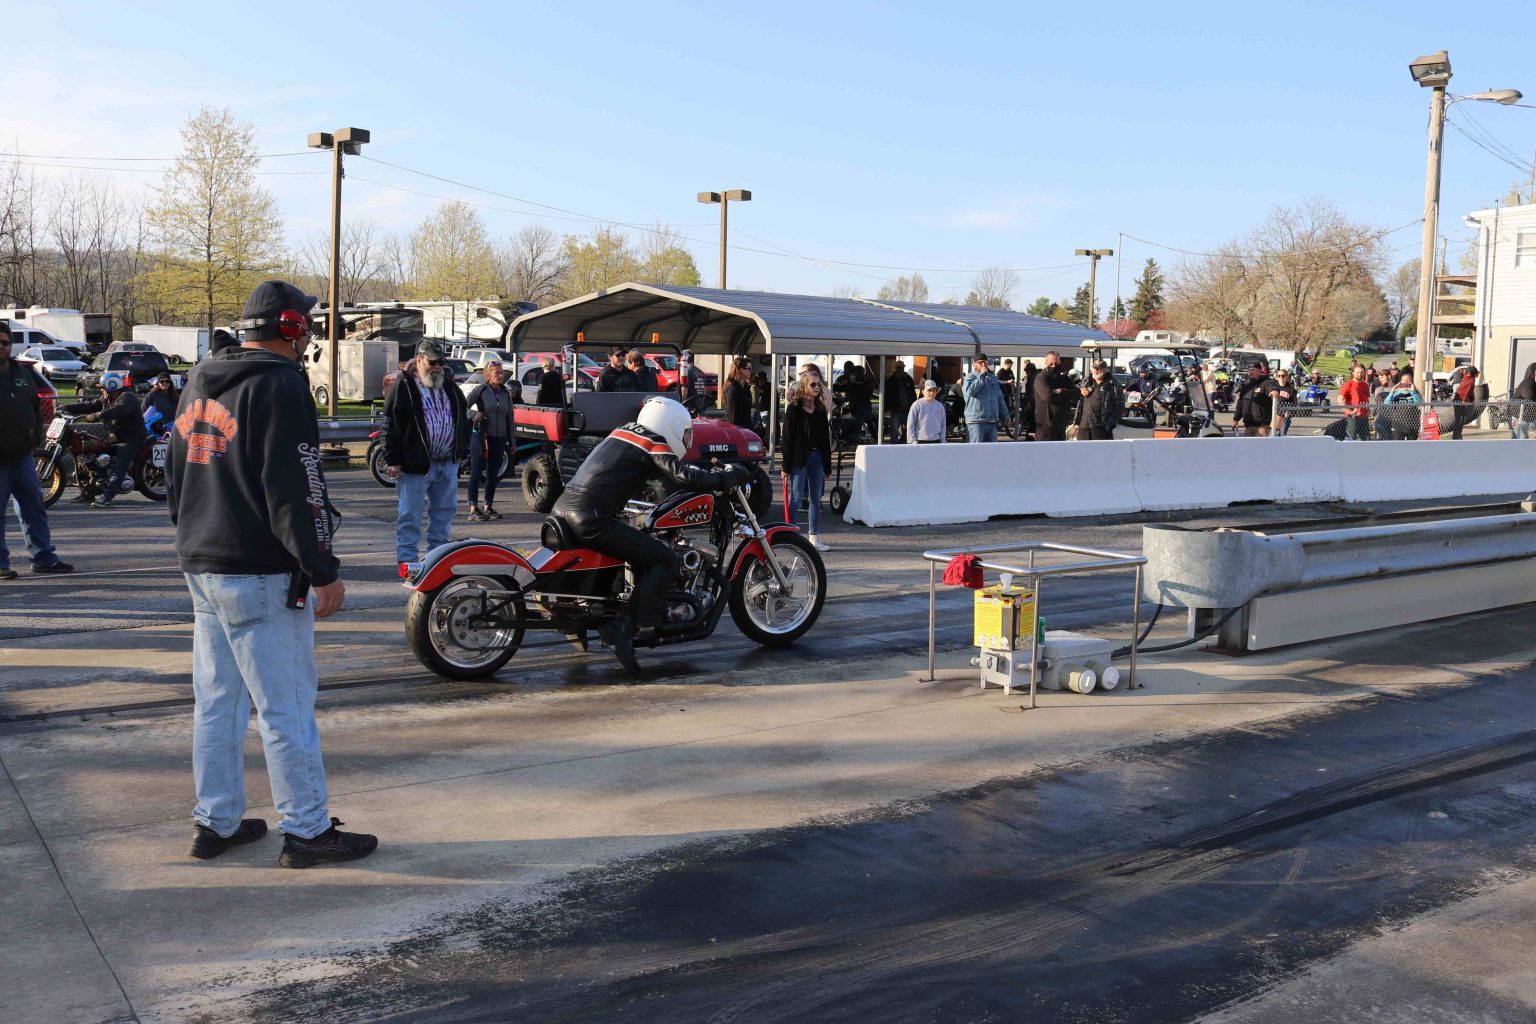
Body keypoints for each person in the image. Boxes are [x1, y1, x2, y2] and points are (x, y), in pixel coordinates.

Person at [169, 279, 374, 867]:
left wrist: (190, 537)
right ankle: (308, 831)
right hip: (259, 569)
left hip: (203, 561)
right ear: (290, 327)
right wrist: (321, 567)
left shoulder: (203, 374)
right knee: (284, 709)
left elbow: (176, 468)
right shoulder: (280, 384)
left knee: (218, 703)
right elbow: (298, 485)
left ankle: (215, 821)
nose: (308, 330)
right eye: (303, 322)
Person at [550, 397, 750, 671]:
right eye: (685, 432)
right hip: (591, 518)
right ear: (670, 424)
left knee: (642, 545)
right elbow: (682, 476)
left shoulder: (623, 431)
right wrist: (722, 479)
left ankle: (591, 617)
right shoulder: (651, 440)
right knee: (664, 559)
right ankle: (627, 627)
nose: (686, 438)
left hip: (563, 509)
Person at [383, 340, 470, 566]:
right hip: (415, 464)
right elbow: (390, 425)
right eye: (433, 362)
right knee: (410, 515)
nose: (437, 367)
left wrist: (462, 450)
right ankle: (408, 564)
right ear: (420, 360)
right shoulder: (404, 386)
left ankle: (436, 562)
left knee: (443, 513)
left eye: (440, 362)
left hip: (446, 462)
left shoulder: (450, 387)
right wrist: (392, 460)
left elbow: (463, 419)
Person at [0, 323, 73, 579]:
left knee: (34, 509)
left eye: (5, 343)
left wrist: (35, 436)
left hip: (23, 457)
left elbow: (35, 406)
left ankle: (44, 558)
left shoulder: (22, 372)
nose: (1, 347)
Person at [63, 375, 146, 508]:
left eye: (102, 388)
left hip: (130, 439)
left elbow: (121, 410)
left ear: (111, 386)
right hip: (114, 438)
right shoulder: (107, 398)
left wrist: (99, 415)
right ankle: (88, 492)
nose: (101, 391)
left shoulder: (128, 397)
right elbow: (90, 405)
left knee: (119, 468)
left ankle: (106, 497)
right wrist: (67, 407)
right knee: (88, 458)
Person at [781, 376, 832, 552]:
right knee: (795, 497)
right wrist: (785, 466)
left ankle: (814, 538)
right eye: (813, 385)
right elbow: (787, 438)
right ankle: (791, 536)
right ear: (804, 387)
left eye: (818, 385)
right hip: (799, 458)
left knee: (815, 498)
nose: (817, 387)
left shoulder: (819, 410)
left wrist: (827, 466)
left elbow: (825, 439)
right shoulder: (793, 409)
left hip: (817, 456)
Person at [465, 360, 517, 521]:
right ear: (488, 375)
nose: (500, 376)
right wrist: (474, 414)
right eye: (497, 373)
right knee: (475, 471)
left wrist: (512, 441)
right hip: (481, 436)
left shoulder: (505, 393)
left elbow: (510, 419)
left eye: (502, 373)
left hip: (499, 438)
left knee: (493, 473)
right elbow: (462, 406)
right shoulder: (481, 390)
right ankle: (473, 509)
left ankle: (488, 506)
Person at [961, 353, 1009, 443]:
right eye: (981, 363)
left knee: (992, 450)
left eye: (985, 362)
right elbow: (970, 391)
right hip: (976, 421)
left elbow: (999, 398)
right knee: (978, 450)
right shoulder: (969, 377)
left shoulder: (993, 378)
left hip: (991, 420)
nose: (984, 365)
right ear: (974, 364)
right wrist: (981, 376)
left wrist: (1005, 415)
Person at [1074, 363, 1121, 440]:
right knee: (1082, 451)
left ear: (1105, 370)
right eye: (1094, 368)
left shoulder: (1113, 384)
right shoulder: (1086, 381)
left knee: (1101, 451)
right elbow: (1073, 393)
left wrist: (1109, 422)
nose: (1096, 371)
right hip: (1084, 426)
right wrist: (1079, 391)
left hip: (1102, 427)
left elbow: (1120, 406)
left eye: (1099, 369)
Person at [1032, 351, 1072, 440]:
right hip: (1046, 426)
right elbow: (1048, 396)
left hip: (1061, 424)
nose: (1054, 366)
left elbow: (1075, 394)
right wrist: (1064, 394)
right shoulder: (1041, 378)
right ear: (1046, 362)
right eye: (1051, 363)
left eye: (1056, 363)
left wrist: (1060, 392)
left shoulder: (1064, 378)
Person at [1233, 361, 1278, 437]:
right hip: (1248, 426)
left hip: (1262, 426)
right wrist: (1235, 419)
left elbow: (1273, 387)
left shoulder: (1266, 382)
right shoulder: (1246, 385)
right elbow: (1240, 403)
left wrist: (1274, 391)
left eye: (1253, 370)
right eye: (1249, 370)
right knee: (1247, 448)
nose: (1250, 372)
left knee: (1259, 447)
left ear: (1260, 371)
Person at [884, 359, 916, 442]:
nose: (900, 369)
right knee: (894, 431)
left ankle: (903, 443)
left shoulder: (909, 379)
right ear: (895, 368)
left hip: (907, 410)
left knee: (910, 429)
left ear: (903, 368)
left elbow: (913, 394)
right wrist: (886, 409)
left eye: (901, 367)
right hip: (895, 410)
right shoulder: (890, 380)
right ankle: (894, 448)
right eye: (898, 367)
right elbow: (887, 395)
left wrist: (914, 406)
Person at [1338, 364, 1372, 441]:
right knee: (1350, 441)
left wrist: (1368, 410)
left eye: (1362, 372)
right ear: (1353, 373)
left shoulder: (1365, 385)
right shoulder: (1348, 384)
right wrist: (1349, 412)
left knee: (1367, 441)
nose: (1360, 374)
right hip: (1352, 418)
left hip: (1363, 418)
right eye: (1357, 372)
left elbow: (1366, 399)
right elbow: (1340, 400)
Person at [1449, 365, 1481, 440]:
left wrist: (1472, 399)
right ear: (1472, 374)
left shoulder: (1466, 378)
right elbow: (1468, 390)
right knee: (1459, 419)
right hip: (1459, 400)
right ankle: (1456, 436)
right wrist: (1464, 399)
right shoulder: (1471, 379)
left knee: (1461, 418)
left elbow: (1470, 391)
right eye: (1476, 373)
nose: (1477, 375)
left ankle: (1457, 435)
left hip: (1458, 399)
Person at [722, 356, 755, 429]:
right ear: (742, 370)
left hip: (747, 429)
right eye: (749, 369)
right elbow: (732, 417)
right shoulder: (733, 388)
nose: (751, 371)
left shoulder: (745, 387)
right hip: (738, 432)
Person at [1270, 368, 1299, 435]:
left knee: (1281, 435)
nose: (1281, 377)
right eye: (1279, 376)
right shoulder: (1273, 387)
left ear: (1286, 377)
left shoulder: (1291, 390)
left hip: (1284, 416)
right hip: (1272, 415)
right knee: (1271, 436)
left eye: (1283, 376)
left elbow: (1294, 404)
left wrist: (1290, 414)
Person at [1513, 362, 1536, 439]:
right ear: (1533, 373)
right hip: (1520, 417)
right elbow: (1530, 396)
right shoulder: (1527, 383)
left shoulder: (1532, 383)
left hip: (1529, 416)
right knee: (1522, 441)